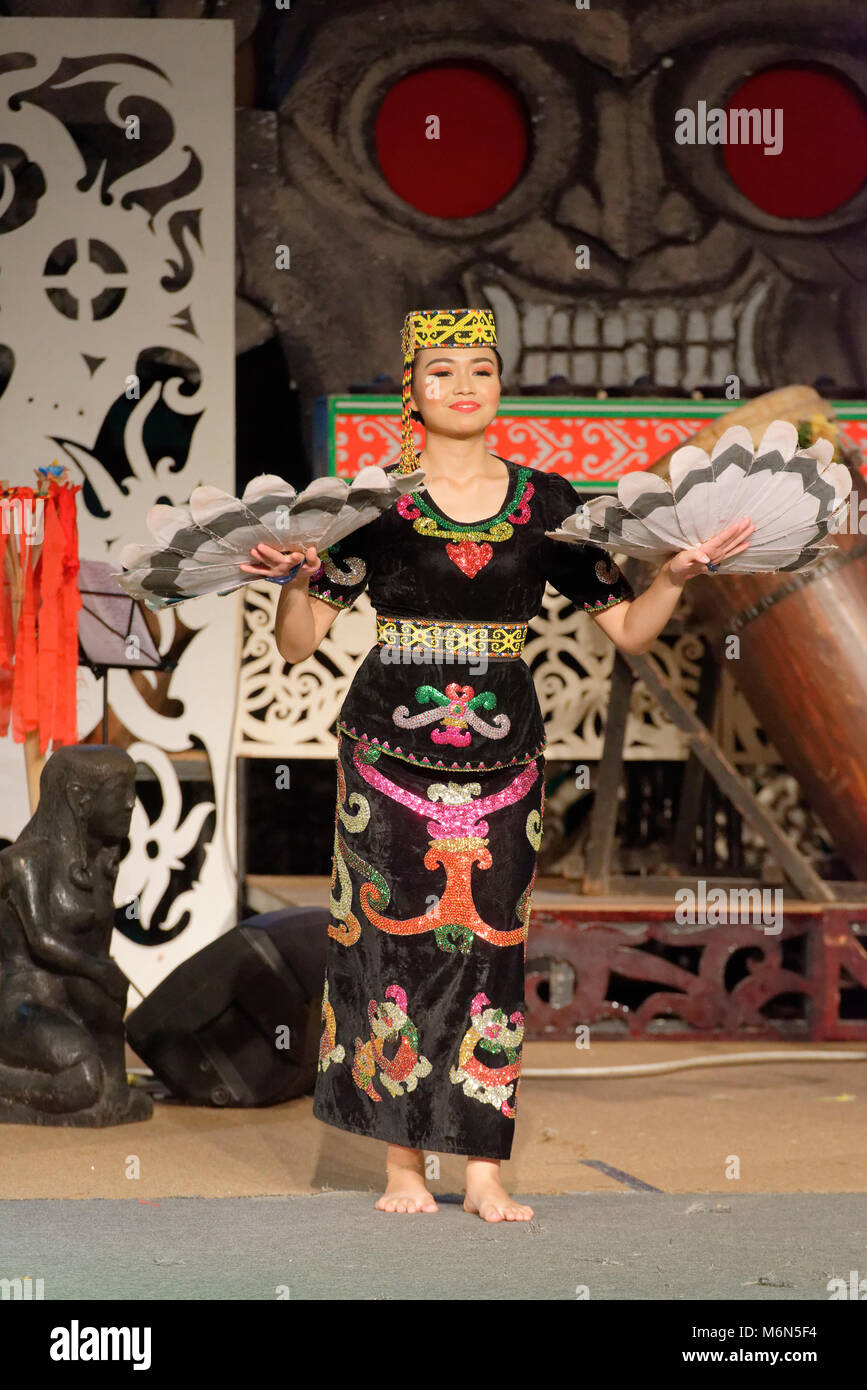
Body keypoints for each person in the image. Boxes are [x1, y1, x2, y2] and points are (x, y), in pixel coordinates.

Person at [240, 308, 754, 1222]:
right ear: (412, 392)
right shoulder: (373, 506)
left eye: (480, 367)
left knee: (492, 949)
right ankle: (402, 1165)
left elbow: (630, 629)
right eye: (441, 371)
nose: (464, 384)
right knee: (389, 940)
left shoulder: (548, 502)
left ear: (499, 386)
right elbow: (296, 644)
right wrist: (294, 582)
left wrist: (674, 576)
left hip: (504, 754)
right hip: (388, 750)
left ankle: (480, 1168)